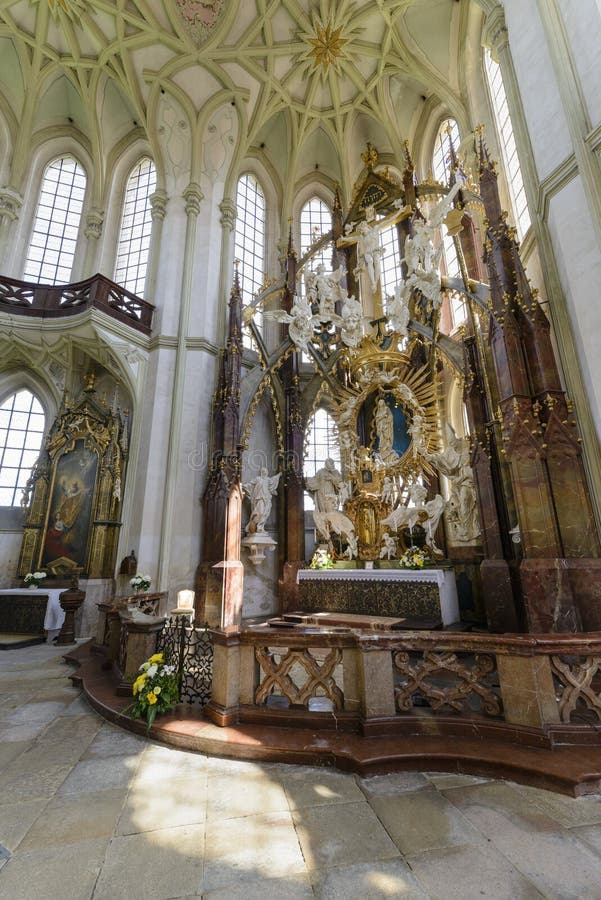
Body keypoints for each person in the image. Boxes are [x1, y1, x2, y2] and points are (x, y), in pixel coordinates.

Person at [242, 467, 280, 534]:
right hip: (259, 498)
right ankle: (253, 526)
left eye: (266, 471)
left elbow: (273, 483)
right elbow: (250, 484)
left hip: (267, 499)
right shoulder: (258, 479)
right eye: (263, 471)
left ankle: (260, 528)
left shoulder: (268, 480)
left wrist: (279, 474)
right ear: (261, 472)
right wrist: (243, 485)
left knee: (265, 513)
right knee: (260, 512)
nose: (265, 472)